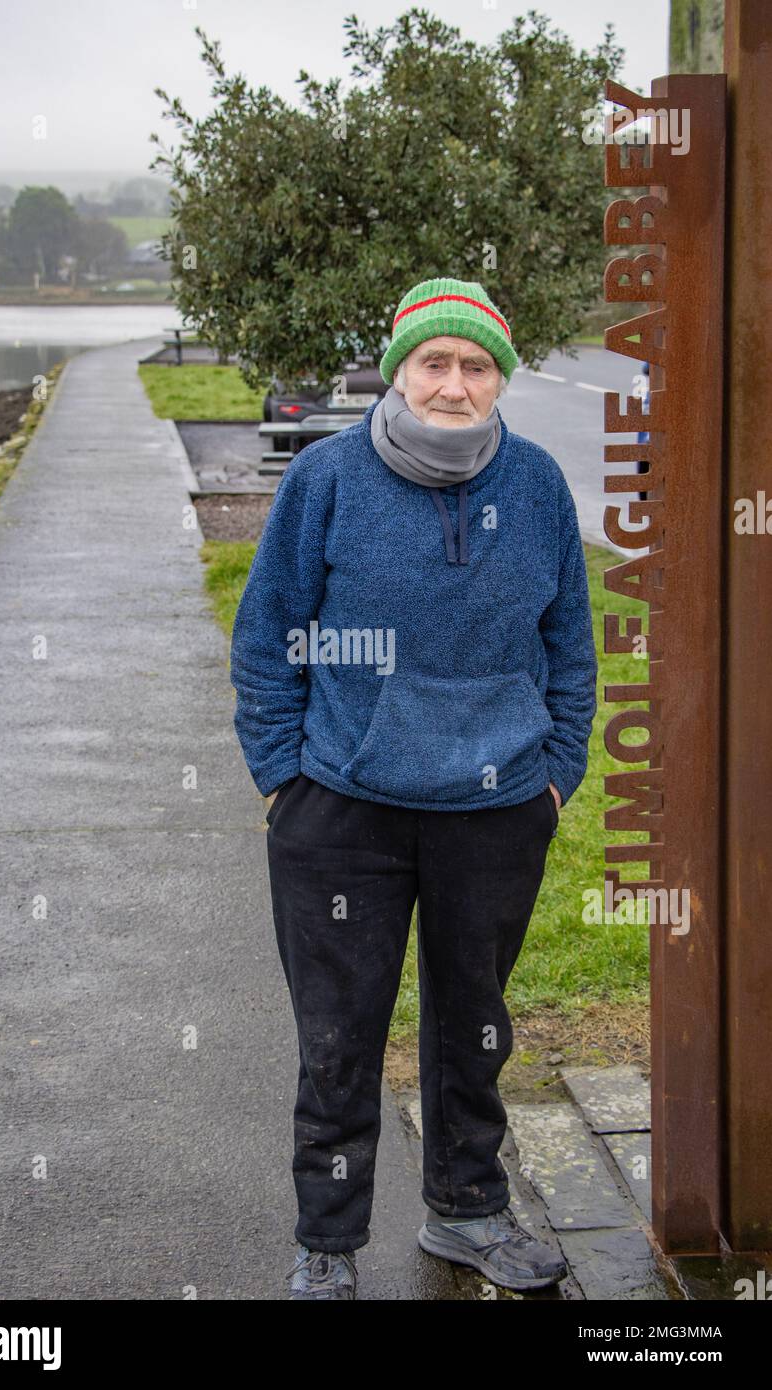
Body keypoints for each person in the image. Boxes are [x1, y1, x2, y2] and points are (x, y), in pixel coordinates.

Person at [229, 276, 598, 1300]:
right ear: (399, 373)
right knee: (339, 1036)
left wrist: (554, 774)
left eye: (474, 365)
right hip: (342, 808)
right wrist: (281, 780)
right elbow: (268, 638)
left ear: (497, 380)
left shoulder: (533, 487)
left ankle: (466, 1209)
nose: (452, 384)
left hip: (494, 807)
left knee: (474, 1027)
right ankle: (328, 1241)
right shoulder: (327, 480)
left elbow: (569, 644)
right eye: (432, 362)